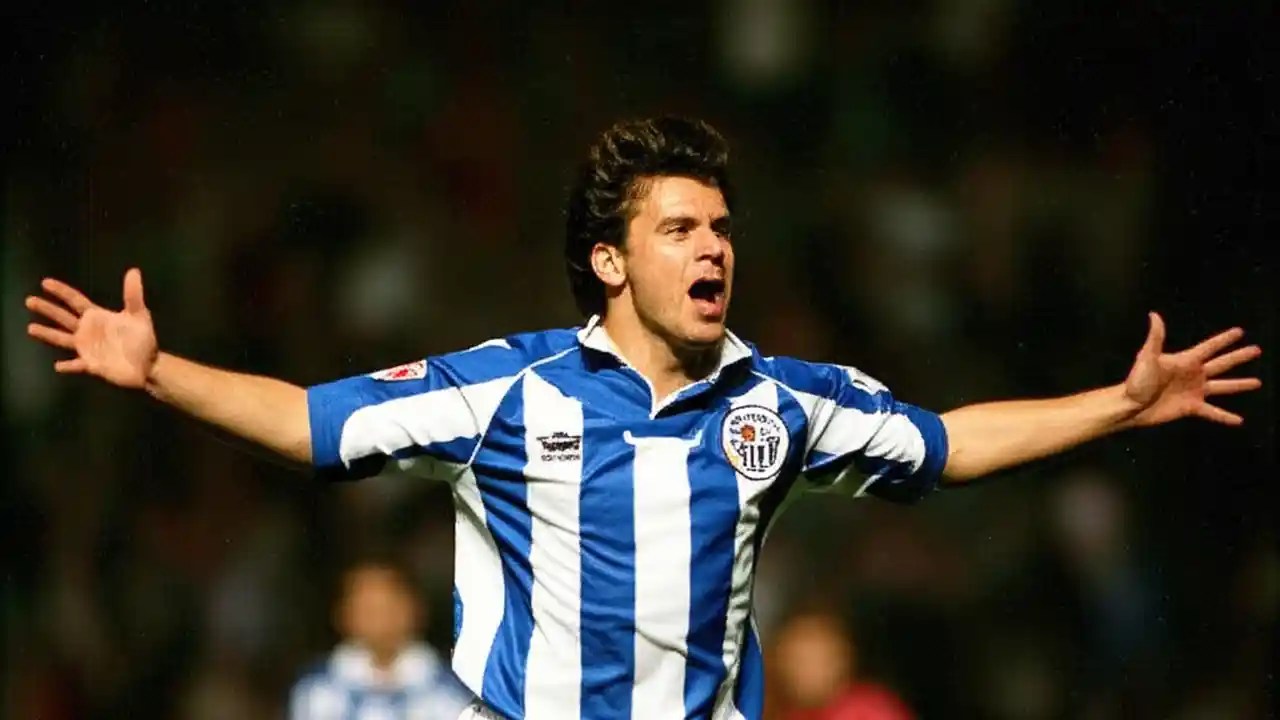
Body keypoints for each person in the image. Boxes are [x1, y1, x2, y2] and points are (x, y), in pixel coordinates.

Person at [24, 116, 1261, 720]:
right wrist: (155, 371)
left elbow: (945, 446)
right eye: (678, 228)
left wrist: (1118, 405)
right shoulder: (506, 389)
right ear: (610, 264)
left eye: (720, 227)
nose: (712, 247)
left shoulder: (778, 402)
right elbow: (310, 424)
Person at [290, 560, 473, 719]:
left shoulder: (452, 691)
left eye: (388, 607)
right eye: (368, 609)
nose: (379, 620)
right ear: (342, 614)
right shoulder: (316, 690)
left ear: (416, 610)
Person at [768, 607, 913, 720]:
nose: (807, 671)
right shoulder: (784, 713)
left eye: (818, 658)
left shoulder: (873, 711)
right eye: (797, 660)